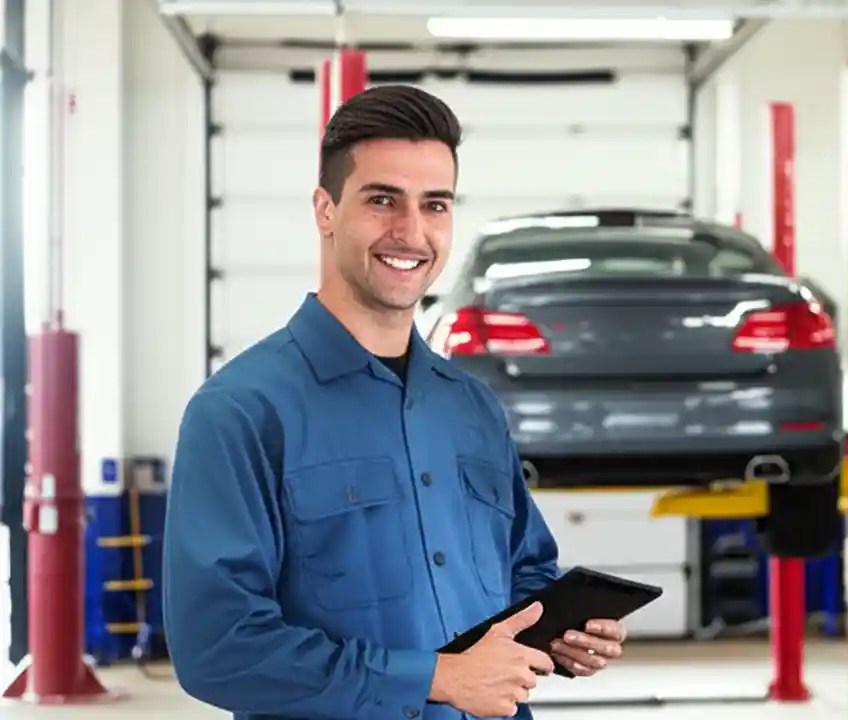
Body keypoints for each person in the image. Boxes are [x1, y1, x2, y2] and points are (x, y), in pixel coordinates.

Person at [162, 85, 628, 720]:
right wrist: (434, 678)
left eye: (435, 205)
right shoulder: (240, 412)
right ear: (325, 210)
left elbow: (524, 574)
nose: (412, 233)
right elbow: (218, 647)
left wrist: (563, 630)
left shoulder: (472, 408)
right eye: (383, 200)